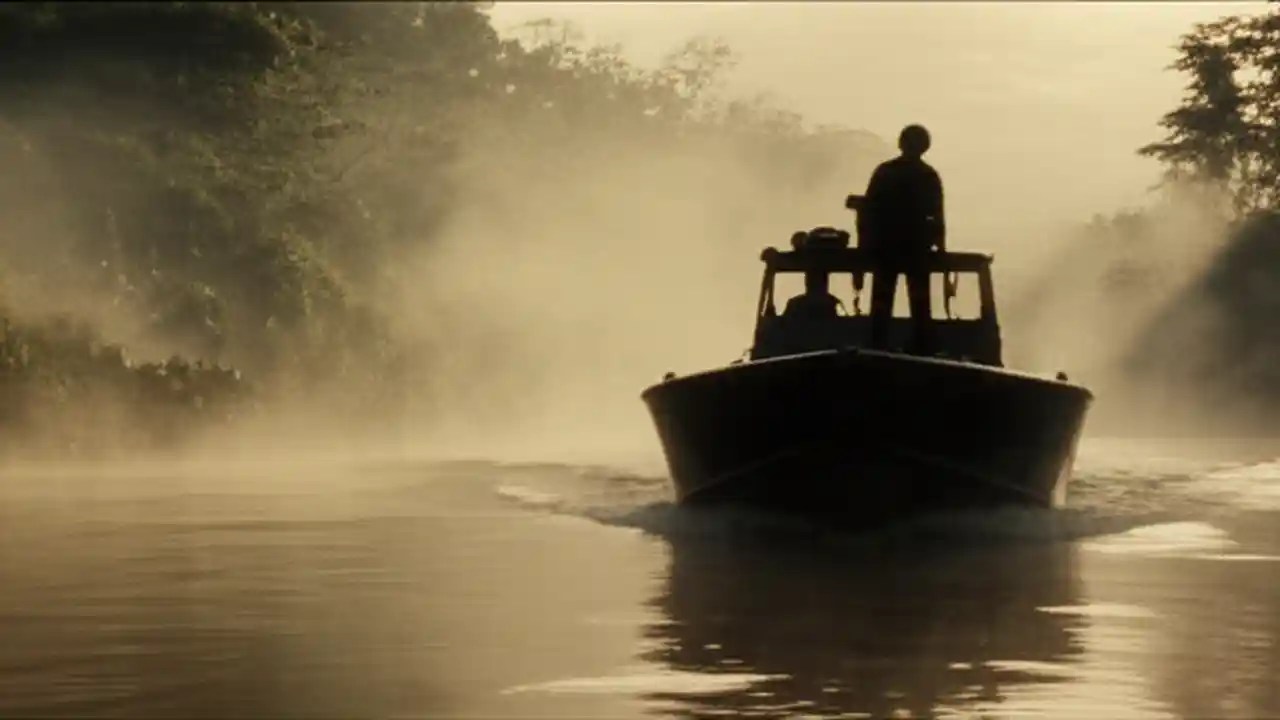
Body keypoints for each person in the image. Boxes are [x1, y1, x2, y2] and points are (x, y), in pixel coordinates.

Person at [860, 124, 945, 353]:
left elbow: (868, 211)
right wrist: (940, 248)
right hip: (914, 249)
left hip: (888, 248)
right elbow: (937, 216)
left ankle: (879, 346)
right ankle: (921, 346)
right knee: (918, 304)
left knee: (882, 302)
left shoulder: (885, 172)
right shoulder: (928, 175)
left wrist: (865, 245)